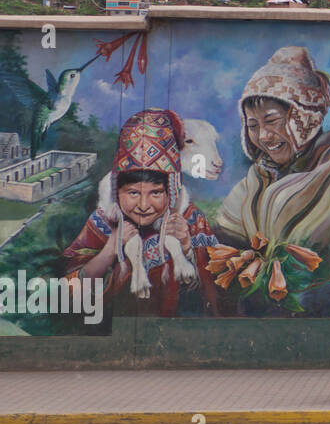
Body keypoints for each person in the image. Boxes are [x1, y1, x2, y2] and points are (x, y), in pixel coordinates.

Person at [63, 108, 221, 317]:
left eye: (156, 193)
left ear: (171, 191)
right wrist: (110, 249)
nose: (144, 205)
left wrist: (187, 247)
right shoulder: (102, 223)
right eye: (133, 193)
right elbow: (66, 294)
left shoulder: (191, 221)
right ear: (116, 190)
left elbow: (222, 284)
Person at [217, 46, 330, 258]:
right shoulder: (255, 181)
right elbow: (222, 240)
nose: (263, 136)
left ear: (304, 118)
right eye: (253, 125)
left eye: (272, 121)